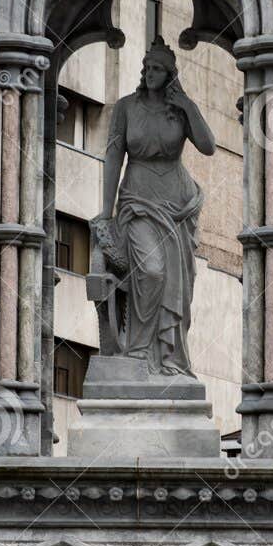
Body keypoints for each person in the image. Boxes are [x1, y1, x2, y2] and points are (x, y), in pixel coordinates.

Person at [92, 37, 215, 377]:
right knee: (151, 270)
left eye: (158, 68)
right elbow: (114, 155)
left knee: (177, 281)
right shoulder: (126, 107)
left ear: (170, 74)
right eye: (147, 67)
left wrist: (188, 106)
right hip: (138, 200)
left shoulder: (179, 109)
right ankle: (140, 350)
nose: (149, 72)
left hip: (177, 205)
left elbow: (208, 146)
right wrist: (106, 210)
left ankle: (169, 358)